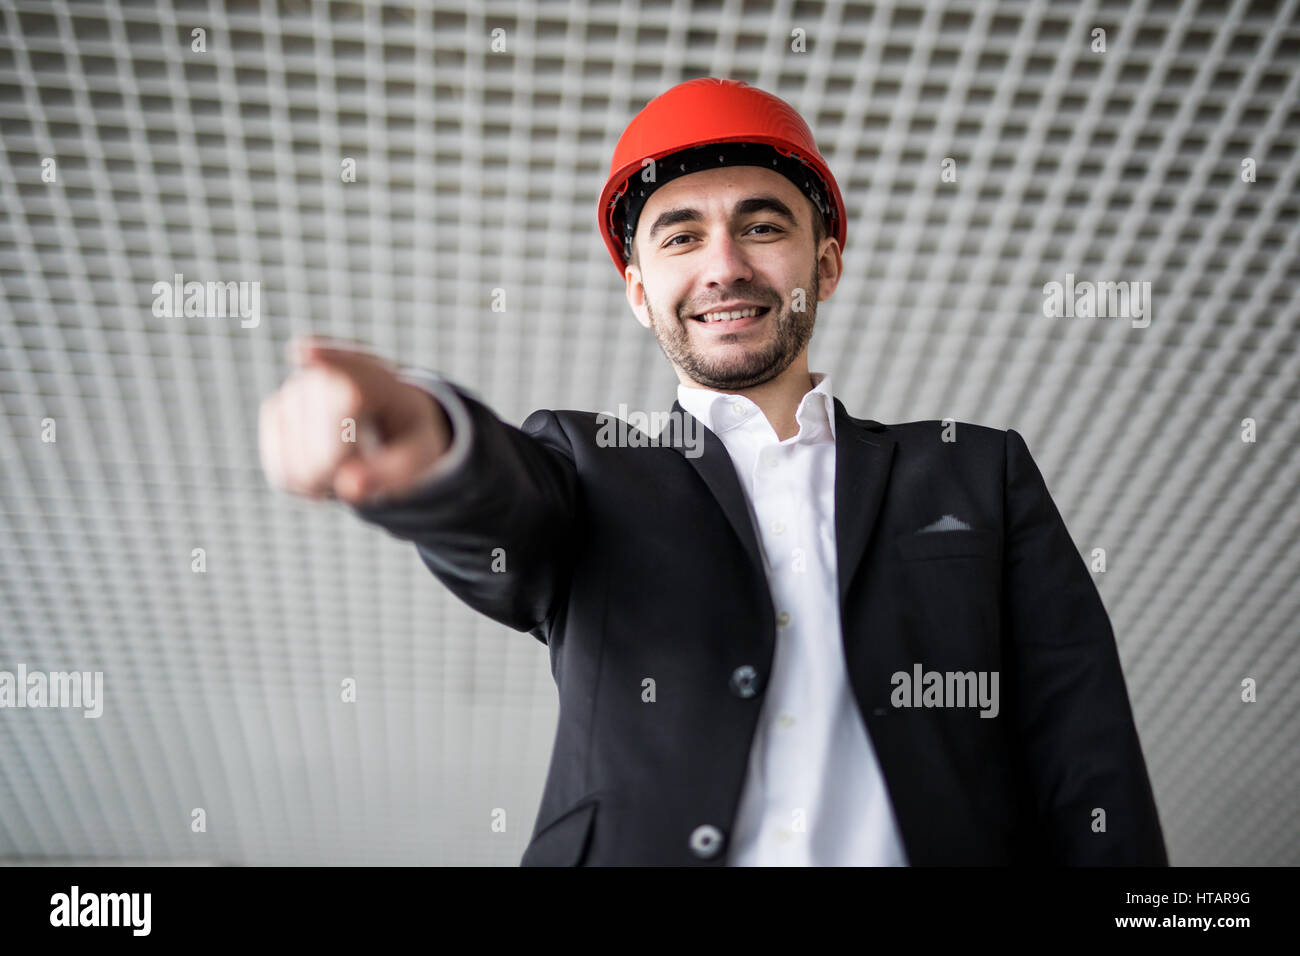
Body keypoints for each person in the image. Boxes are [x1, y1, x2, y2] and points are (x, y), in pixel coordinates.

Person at [258, 78, 1168, 866]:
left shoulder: (978, 471)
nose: (725, 267)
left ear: (827, 262)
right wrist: (425, 430)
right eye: (681, 237)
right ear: (639, 290)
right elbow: (502, 511)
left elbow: (1082, 749)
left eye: (762, 226)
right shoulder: (584, 465)